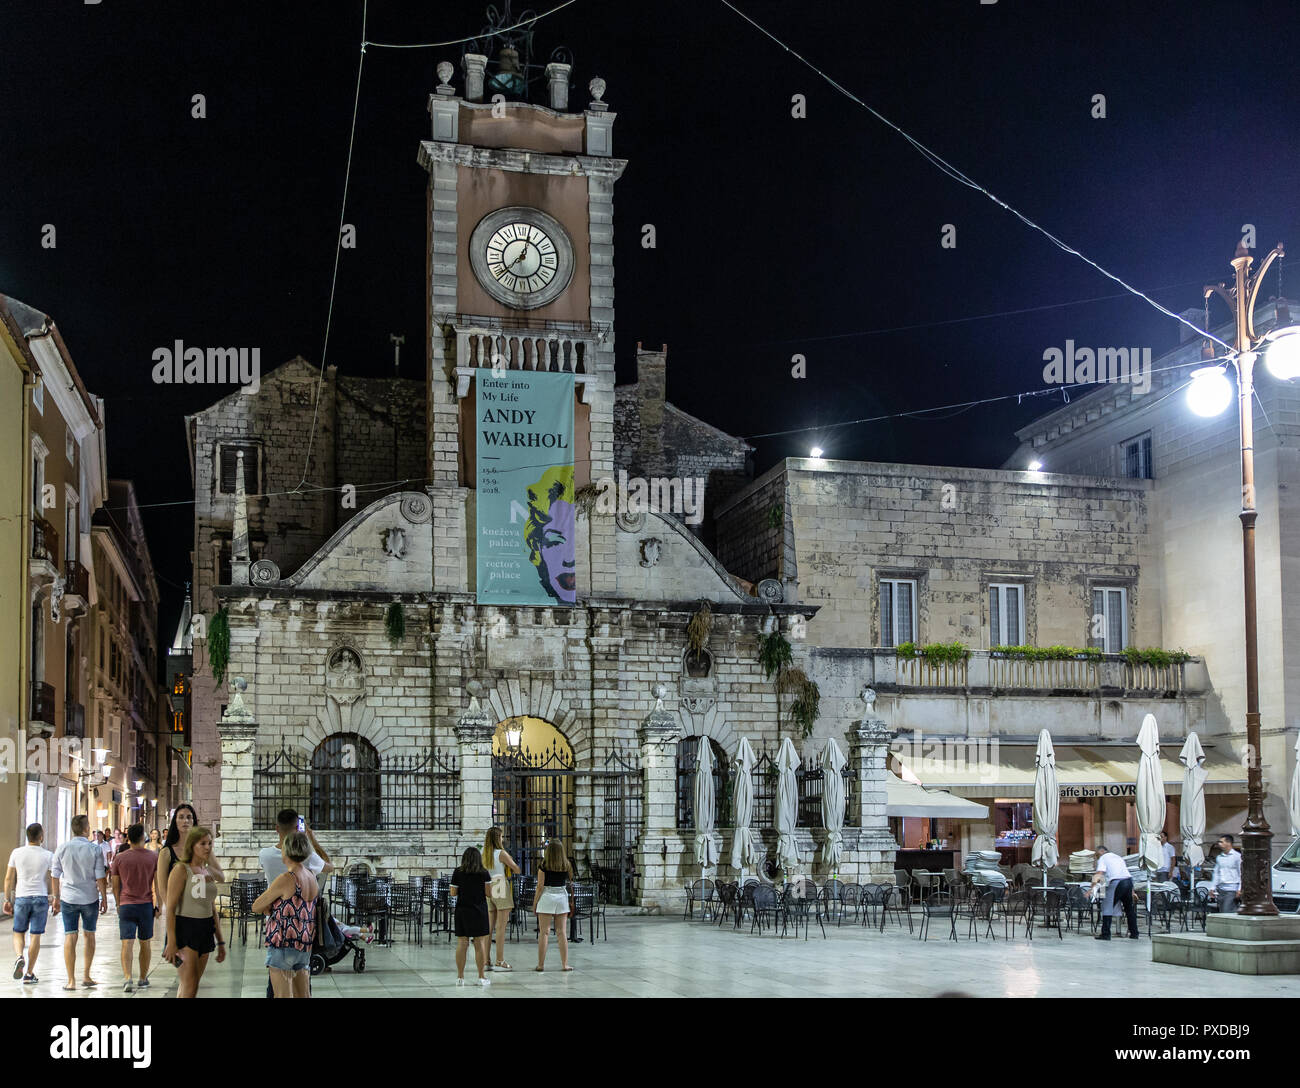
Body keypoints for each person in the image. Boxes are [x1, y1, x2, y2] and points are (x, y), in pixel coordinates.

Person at [259, 809, 332, 998]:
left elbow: (257, 905)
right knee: (303, 991)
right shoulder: (310, 869)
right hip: (304, 938)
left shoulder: (267, 857)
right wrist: (312, 840)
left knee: (277, 991)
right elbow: (329, 866)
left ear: (277, 829)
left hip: (282, 935)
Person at [161, 826, 226, 998]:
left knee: (193, 984)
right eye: (202, 843)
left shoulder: (208, 871)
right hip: (185, 927)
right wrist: (172, 941)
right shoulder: (181, 869)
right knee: (189, 985)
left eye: (210, 843)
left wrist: (220, 941)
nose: (207, 847)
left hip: (205, 927)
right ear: (192, 846)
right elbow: (171, 907)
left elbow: (211, 907)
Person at [253, 831, 319, 998]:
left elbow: (256, 905)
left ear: (285, 850)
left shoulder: (287, 878)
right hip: (304, 946)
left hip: (282, 944)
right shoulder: (311, 877)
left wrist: (270, 907)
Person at [51, 814, 108, 989]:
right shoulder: (95, 850)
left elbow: (54, 875)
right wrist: (104, 898)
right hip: (89, 897)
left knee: (70, 935)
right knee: (89, 934)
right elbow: (100, 877)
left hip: (68, 897)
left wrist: (56, 897)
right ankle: (86, 975)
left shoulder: (62, 848)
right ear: (85, 829)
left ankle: (71, 980)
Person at [110, 823, 160, 992]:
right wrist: (158, 903)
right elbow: (157, 884)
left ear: (128, 839)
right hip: (145, 905)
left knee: (127, 943)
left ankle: (127, 978)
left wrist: (118, 903)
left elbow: (115, 885)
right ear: (143, 837)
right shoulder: (153, 857)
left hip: (126, 904)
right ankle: (143, 978)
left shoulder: (119, 858)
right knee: (145, 943)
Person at [4, 823, 54, 984]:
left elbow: (8, 878)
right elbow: (52, 877)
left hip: (22, 897)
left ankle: (20, 956)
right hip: (40, 897)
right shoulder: (47, 855)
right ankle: (29, 973)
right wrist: (53, 896)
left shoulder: (16, 853)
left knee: (18, 932)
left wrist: (7, 899)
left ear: (27, 836)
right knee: (35, 936)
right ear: (41, 836)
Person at [450, 847, 492, 986]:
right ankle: (481, 977)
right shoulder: (484, 873)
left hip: (462, 910)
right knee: (479, 944)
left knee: (462, 944)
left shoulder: (458, 872)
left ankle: (460, 978)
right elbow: (489, 893)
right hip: (479, 910)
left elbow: (453, 893)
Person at [533, 838, 574, 972]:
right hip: (561, 897)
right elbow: (569, 882)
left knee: (544, 933)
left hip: (546, 897)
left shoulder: (543, 865)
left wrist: (535, 904)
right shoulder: (566, 865)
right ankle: (565, 964)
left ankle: (540, 964)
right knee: (562, 933)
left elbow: (540, 887)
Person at [483, 825, 520, 971]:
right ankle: (500, 960)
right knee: (501, 927)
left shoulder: (483, 852)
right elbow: (516, 868)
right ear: (498, 838)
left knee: (489, 927)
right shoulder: (501, 853)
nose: (502, 839)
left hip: (487, 886)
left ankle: (486, 960)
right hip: (499, 884)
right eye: (501, 836)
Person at [1090, 844, 1139, 940]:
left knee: (1107, 906)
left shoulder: (1103, 858)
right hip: (1128, 882)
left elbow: (1099, 873)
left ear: (1101, 852)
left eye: (1096, 855)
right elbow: (1125, 874)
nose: (1096, 857)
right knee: (1129, 909)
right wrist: (1132, 892)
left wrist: (1092, 888)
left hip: (1117, 882)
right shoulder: (1118, 857)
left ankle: (1106, 934)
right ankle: (1134, 933)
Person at [1211, 834, 1242, 913]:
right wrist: (1212, 887)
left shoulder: (1237, 857)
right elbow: (1216, 873)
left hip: (1232, 889)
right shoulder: (1219, 857)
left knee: (1227, 910)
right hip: (1221, 889)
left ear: (1228, 843)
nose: (1219, 844)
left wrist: (1239, 889)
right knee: (1222, 911)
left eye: (1221, 842)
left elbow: (1241, 873)